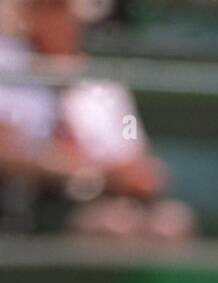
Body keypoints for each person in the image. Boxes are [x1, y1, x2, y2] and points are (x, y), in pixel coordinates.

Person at [0, 0, 195, 237]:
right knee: (112, 226)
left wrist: (138, 166)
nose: (62, 21)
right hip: (35, 201)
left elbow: (129, 133)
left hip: (107, 197)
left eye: (66, 11)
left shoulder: (105, 84)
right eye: (49, 9)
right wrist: (92, 170)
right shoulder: (8, 68)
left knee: (170, 223)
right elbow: (8, 150)